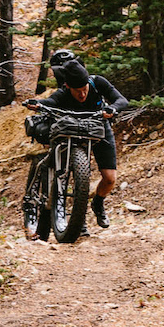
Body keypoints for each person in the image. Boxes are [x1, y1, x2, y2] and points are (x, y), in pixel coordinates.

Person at [30, 57, 130, 229]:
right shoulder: (63, 92)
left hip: (99, 127)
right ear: (68, 86)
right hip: (73, 130)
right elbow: (51, 102)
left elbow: (121, 100)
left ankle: (98, 203)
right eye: (77, 91)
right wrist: (37, 104)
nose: (82, 94)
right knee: (73, 173)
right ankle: (78, 220)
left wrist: (112, 109)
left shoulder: (98, 82)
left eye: (84, 89)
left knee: (110, 179)